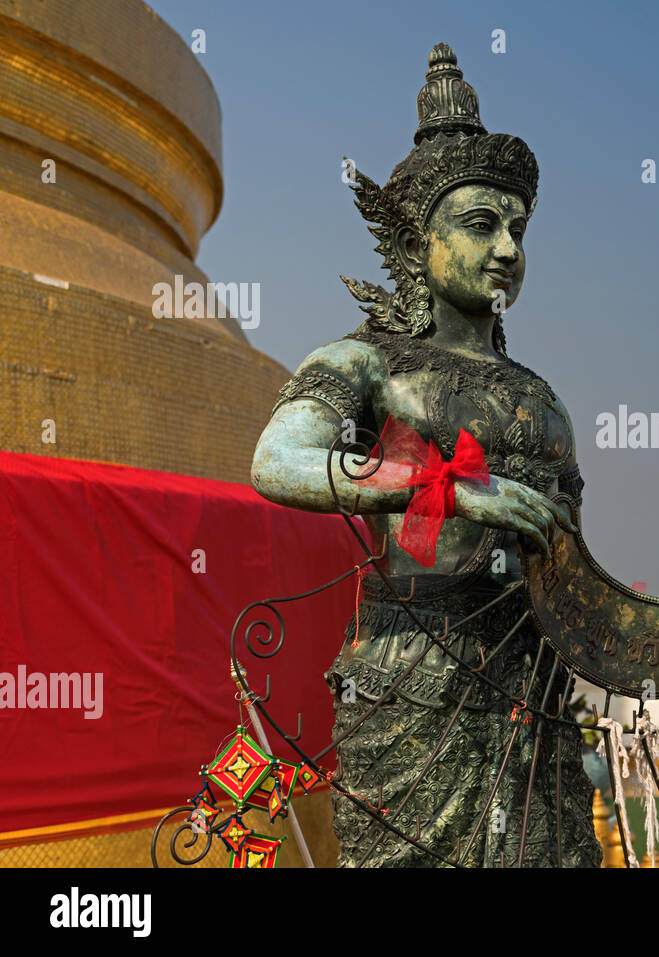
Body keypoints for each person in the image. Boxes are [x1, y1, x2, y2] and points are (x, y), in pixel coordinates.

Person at [250, 44, 599, 866]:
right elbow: (278, 459)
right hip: (415, 672)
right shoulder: (366, 362)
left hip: (535, 680)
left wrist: (651, 643)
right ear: (417, 239)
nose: (508, 247)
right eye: (481, 224)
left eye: (518, 227)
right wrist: (449, 492)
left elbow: (571, 557)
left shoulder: (543, 399)